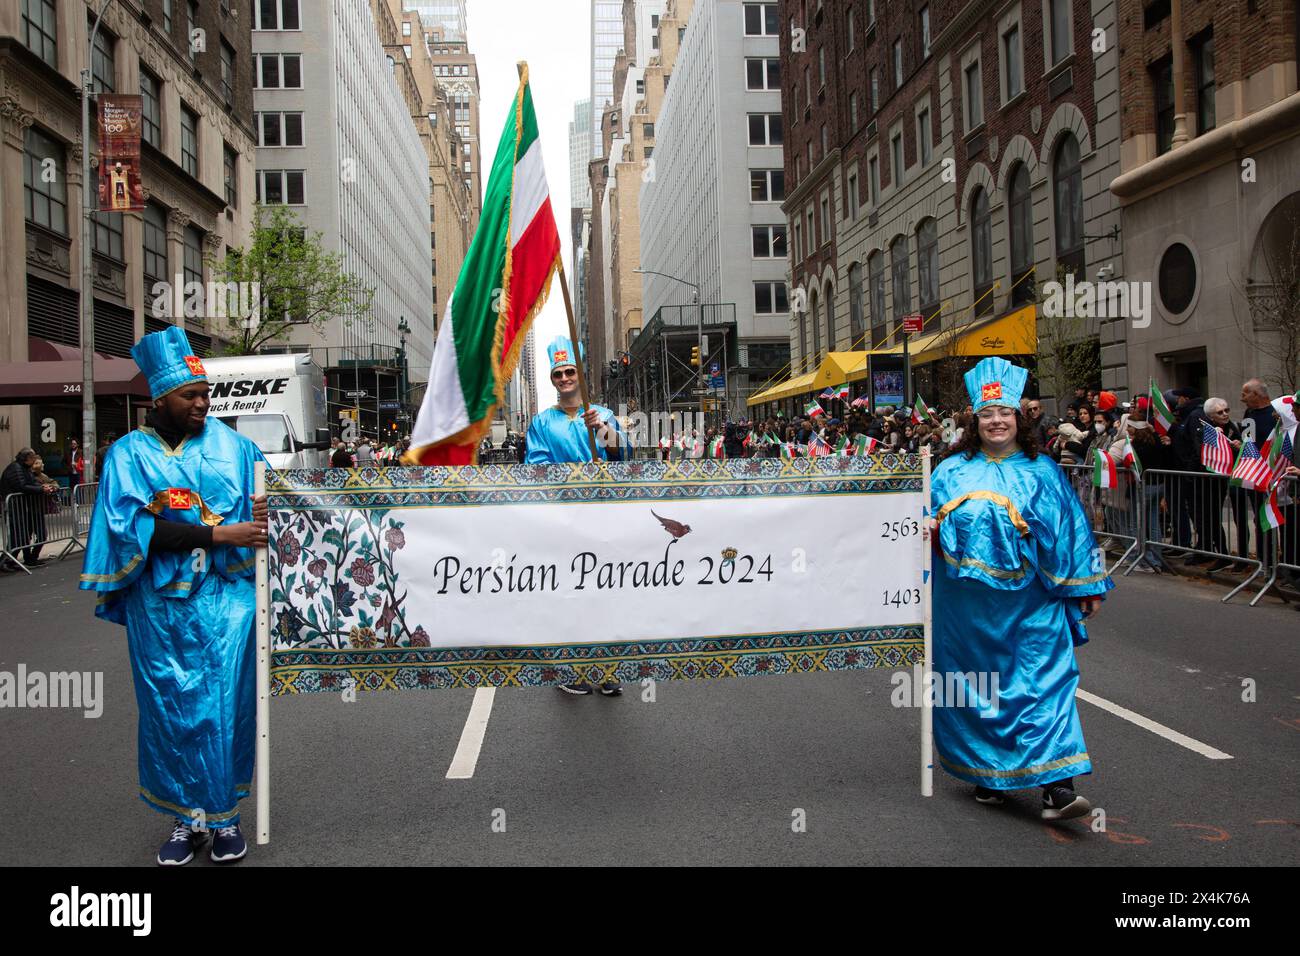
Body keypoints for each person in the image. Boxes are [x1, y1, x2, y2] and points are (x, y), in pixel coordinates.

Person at [79, 326, 267, 866]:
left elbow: (269, 501)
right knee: (168, 709)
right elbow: (129, 531)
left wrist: (264, 512)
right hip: (158, 609)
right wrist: (216, 532)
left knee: (223, 706)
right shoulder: (126, 455)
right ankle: (185, 820)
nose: (202, 404)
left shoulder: (237, 447)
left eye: (206, 395)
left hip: (226, 599)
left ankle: (226, 818)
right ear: (160, 400)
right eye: (190, 396)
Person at [928, 357, 1112, 821]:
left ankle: (1057, 787)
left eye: (1004, 413)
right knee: (978, 690)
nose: (996, 421)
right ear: (975, 419)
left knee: (1046, 682)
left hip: (1033, 601)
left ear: (1018, 418)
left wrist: (1085, 583)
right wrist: (927, 529)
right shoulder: (948, 472)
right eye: (987, 414)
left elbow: (1071, 528)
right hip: (967, 609)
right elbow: (917, 530)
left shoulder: (1043, 471)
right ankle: (989, 774)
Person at [526, 336, 627, 696]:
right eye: (559, 373)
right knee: (568, 594)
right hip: (564, 521)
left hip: (602, 520)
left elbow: (621, 457)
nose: (566, 378)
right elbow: (535, 469)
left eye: (571, 372)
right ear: (552, 379)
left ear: (580, 376)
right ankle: (571, 668)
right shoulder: (541, 423)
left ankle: (608, 669)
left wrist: (600, 429)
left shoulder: (604, 415)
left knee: (605, 592)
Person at [2, 448, 60, 570]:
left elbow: (32, 482)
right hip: (15, 505)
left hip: (22, 505)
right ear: (27, 458)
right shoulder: (16, 468)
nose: (34, 460)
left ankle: (17, 560)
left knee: (22, 535)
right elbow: (21, 486)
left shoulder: (23, 468)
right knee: (18, 535)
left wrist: (43, 486)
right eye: (32, 458)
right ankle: (6, 561)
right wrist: (41, 489)